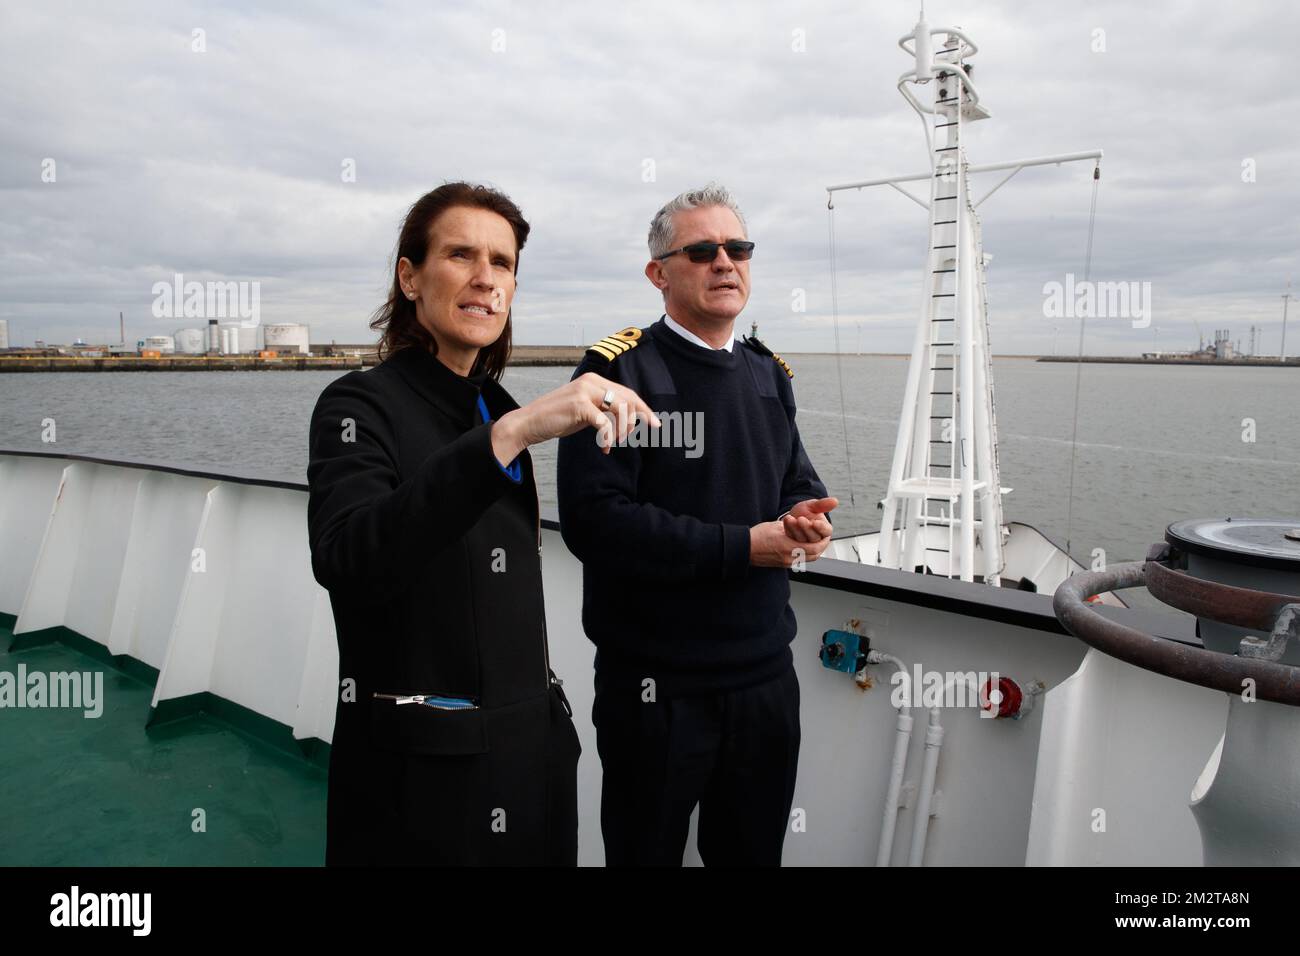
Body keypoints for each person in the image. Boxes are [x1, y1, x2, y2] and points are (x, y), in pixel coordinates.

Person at [307, 181, 657, 866]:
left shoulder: (490, 403)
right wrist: (514, 432)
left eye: (502, 263)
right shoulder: (358, 405)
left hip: (531, 760)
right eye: (461, 255)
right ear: (409, 278)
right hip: (427, 780)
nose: (485, 278)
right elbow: (349, 560)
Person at [556, 183, 838, 866]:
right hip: (656, 688)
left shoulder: (769, 372)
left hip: (767, 678)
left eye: (738, 248)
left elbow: (796, 478)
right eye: (703, 250)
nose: (725, 262)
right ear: (659, 273)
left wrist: (806, 518)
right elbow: (596, 523)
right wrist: (744, 547)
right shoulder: (620, 372)